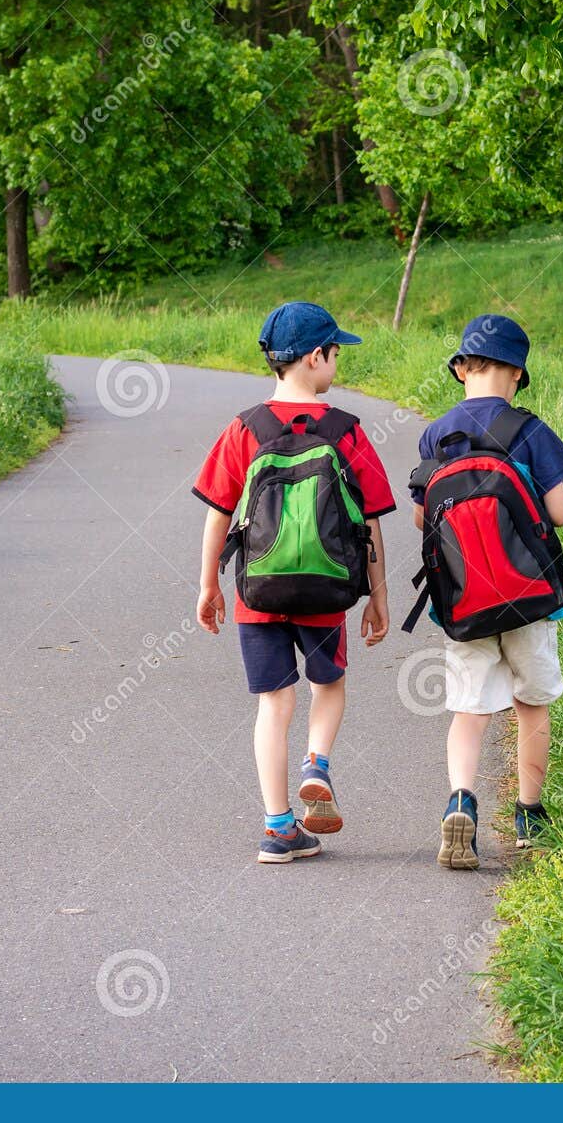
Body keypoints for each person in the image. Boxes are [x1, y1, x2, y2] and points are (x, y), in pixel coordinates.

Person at [193, 302, 394, 863]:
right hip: (325, 594)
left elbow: (216, 513)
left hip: (258, 594)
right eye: (336, 353)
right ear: (315, 357)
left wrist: (208, 584)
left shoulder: (244, 428)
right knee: (328, 685)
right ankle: (318, 764)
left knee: (273, 704)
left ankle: (278, 828)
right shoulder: (347, 432)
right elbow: (370, 520)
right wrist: (378, 595)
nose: (338, 362)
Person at [412, 314, 563, 869]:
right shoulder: (529, 429)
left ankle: (461, 801)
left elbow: (422, 519)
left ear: (461, 369)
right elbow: (558, 512)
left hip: (462, 601)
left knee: (469, 710)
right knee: (532, 705)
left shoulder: (436, 433)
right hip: (529, 597)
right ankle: (530, 815)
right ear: (516, 374)